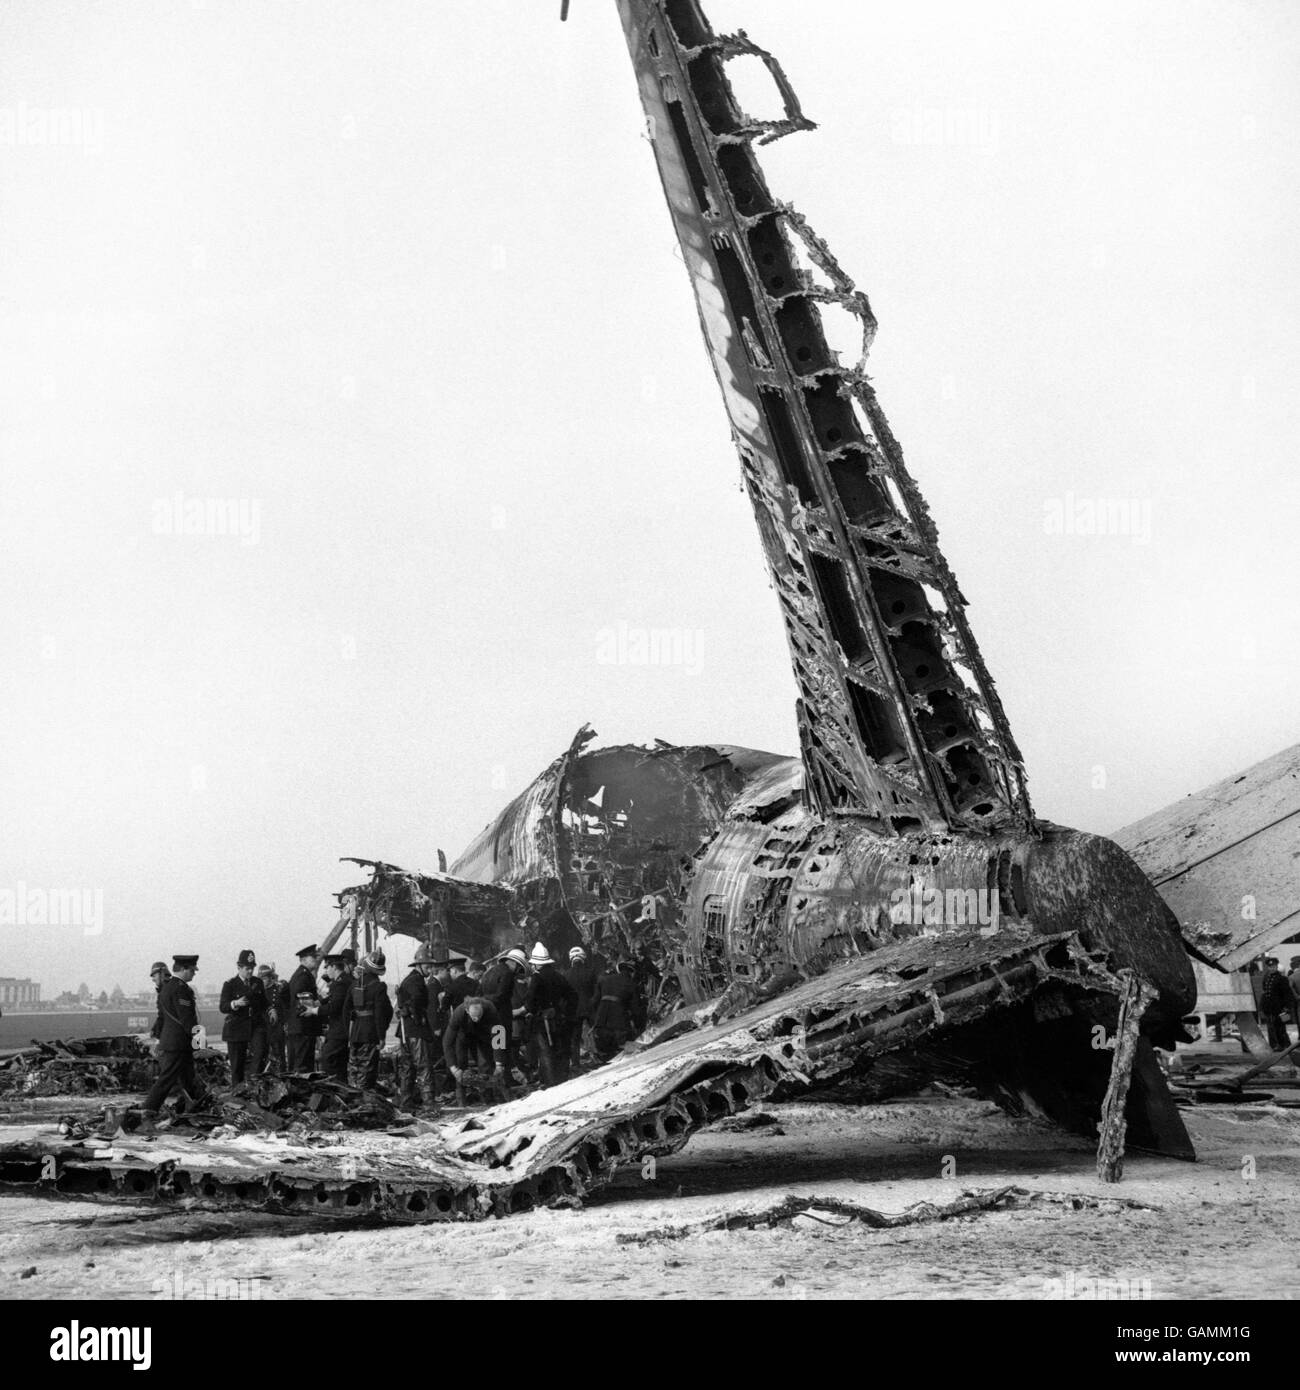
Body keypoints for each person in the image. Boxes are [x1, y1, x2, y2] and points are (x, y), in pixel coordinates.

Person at [141, 955, 206, 1114]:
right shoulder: (181, 989)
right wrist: (200, 1045)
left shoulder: (167, 988)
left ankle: (195, 1106)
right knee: (166, 1079)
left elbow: (163, 1017)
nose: (194, 973)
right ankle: (148, 1110)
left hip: (173, 1043)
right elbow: (187, 1019)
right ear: (184, 969)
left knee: (188, 1078)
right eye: (192, 970)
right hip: (178, 1044)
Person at [523, 942, 577, 1088]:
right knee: (561, 1048)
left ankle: (550, 1081)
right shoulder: (558, 976)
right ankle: (563, 1077)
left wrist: (530, 1011)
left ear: (535, 963)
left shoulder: (537, 978)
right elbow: (572, 995)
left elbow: (530, 1001)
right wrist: (567, 1012)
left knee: (546, 1051)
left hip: (542, 1021)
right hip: (560, 1018)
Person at [395, 944, 438, 1111]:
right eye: (428, 966)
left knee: (407, 1067)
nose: (430, 969)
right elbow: (416, 1002)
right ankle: (428, 1103)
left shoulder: (409, 979)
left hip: (405, 1030)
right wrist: (416, 1015)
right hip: (416, 1030)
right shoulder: (417, 981)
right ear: (419, 965)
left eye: (431, 966)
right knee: (423, 1065)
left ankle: (406, 1102)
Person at [218, 949, 267, 1086]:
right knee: (237, 1065)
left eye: (252, 968)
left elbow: (263, 1003)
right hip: (237, 1028)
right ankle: (237, 1093)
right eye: (247, 968)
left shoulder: (258, 982)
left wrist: (271, 1010)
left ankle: (254, 1084)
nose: (250, 971)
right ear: (239, 968)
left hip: (255, 1025)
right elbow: (223, 1006)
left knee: (260, 1053)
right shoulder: (230, 984)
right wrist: (235, 1003)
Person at [348, 949, 393, 1090]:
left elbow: (346, 1010)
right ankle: (364, 1103)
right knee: (367, 1073)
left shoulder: (354, 984)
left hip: (355, 1033)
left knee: (353, 1070)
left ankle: (352, 1100)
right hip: (370, 1034)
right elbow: (381, 1013)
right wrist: (382, 1036)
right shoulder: (379, 987)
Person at [443, 995, 508, 1092]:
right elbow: (447, 1042)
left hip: (484, 1035)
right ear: (467, 1011)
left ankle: (490, 1095)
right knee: (461, 1063)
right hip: (463, 1035)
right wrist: (453, 1068)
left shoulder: (490, 1009)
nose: (477, 1019)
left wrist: (499, 1064)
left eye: (479, 1016)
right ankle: (462, 1097)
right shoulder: (459, 1013)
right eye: (474, 1017)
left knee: (488, 1063)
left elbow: (499, 1034)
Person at [480, 948, 527, 1071]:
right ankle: (503, 1080)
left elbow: (478, 993)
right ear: (516, 964)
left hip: (486, 1016)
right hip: (500, 1018)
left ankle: (493, 1080)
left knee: (491, 1049)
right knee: (501, 1049)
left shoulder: (490, 971)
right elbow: (501, 996)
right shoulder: (507, 974)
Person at [285, 944, 322, 1073]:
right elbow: (302, 1002)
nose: (315, 960)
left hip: (300, 1027)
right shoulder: (303, 976)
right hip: (303, 1026)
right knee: (302, 1065)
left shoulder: (303, 974)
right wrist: (318, 1004)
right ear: (303, 960)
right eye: (312, 957)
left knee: (300, 1063)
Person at [592, 959, 638, 1062]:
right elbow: (636, 1008)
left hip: (601, 1016)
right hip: (618, 1017)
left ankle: (605, 1058)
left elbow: (595, 1001)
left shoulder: (605, 979)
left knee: (605, 1042)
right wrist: (638, 1025)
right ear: (631, 973)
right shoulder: (631, 983)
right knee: (621, 1041)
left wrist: (597, 1016)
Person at [316, 954, 352, 1082]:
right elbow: (333, 999)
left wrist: (314, 1010)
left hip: (339, 1031)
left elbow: (334, 1007)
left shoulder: (340, 984)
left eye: (327, 968)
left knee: (327, 1059)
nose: (326, 971)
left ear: (334, 967)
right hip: (344, 1030)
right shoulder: (345, 981)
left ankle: (333, 1090)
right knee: (340, 1064)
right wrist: (320, 1002)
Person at [564, 946, 600, 1069]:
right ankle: (599, 1055)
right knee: (596, 1031)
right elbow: (596, 991)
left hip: (574, 1010)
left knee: (575, 1037)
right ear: (583, 957)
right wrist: (592, 1002)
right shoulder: (590, 972)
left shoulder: (566, 975)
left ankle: (575, 1062)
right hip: (589, 1007)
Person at [258, 964, 289, 1074]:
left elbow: (286, 1007)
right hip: (263, 1028)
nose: (262, 981)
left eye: (264, 978)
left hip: (276, 1029)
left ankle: (282, 1075)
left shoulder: (279, 990)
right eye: (260, 979)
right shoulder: (259, 991)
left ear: (270, 978)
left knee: (279, 1056)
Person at [1260, 957, 1293, 1053]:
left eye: (1274, 966)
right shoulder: (1267, 979)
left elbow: (1287, 994)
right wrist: (1263, 1006)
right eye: (1270, 966)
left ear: (1276, 966)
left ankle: (1285, 1045)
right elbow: (1266, 993)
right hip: (1270, 1008)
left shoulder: (1282, 979)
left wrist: (1286, 1007)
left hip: (1280, 1007)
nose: (1272, 968)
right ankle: (1277, 1045)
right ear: (1268, 967)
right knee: (1272, 1026)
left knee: (1280, 1027)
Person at [147, 961, 169, 1044]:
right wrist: (154, 1029)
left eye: (154, 975)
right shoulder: (171, 989)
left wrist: (157, 1036)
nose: (153, 979)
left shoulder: (165, 993)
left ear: (161, 974)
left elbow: (164, 1017)